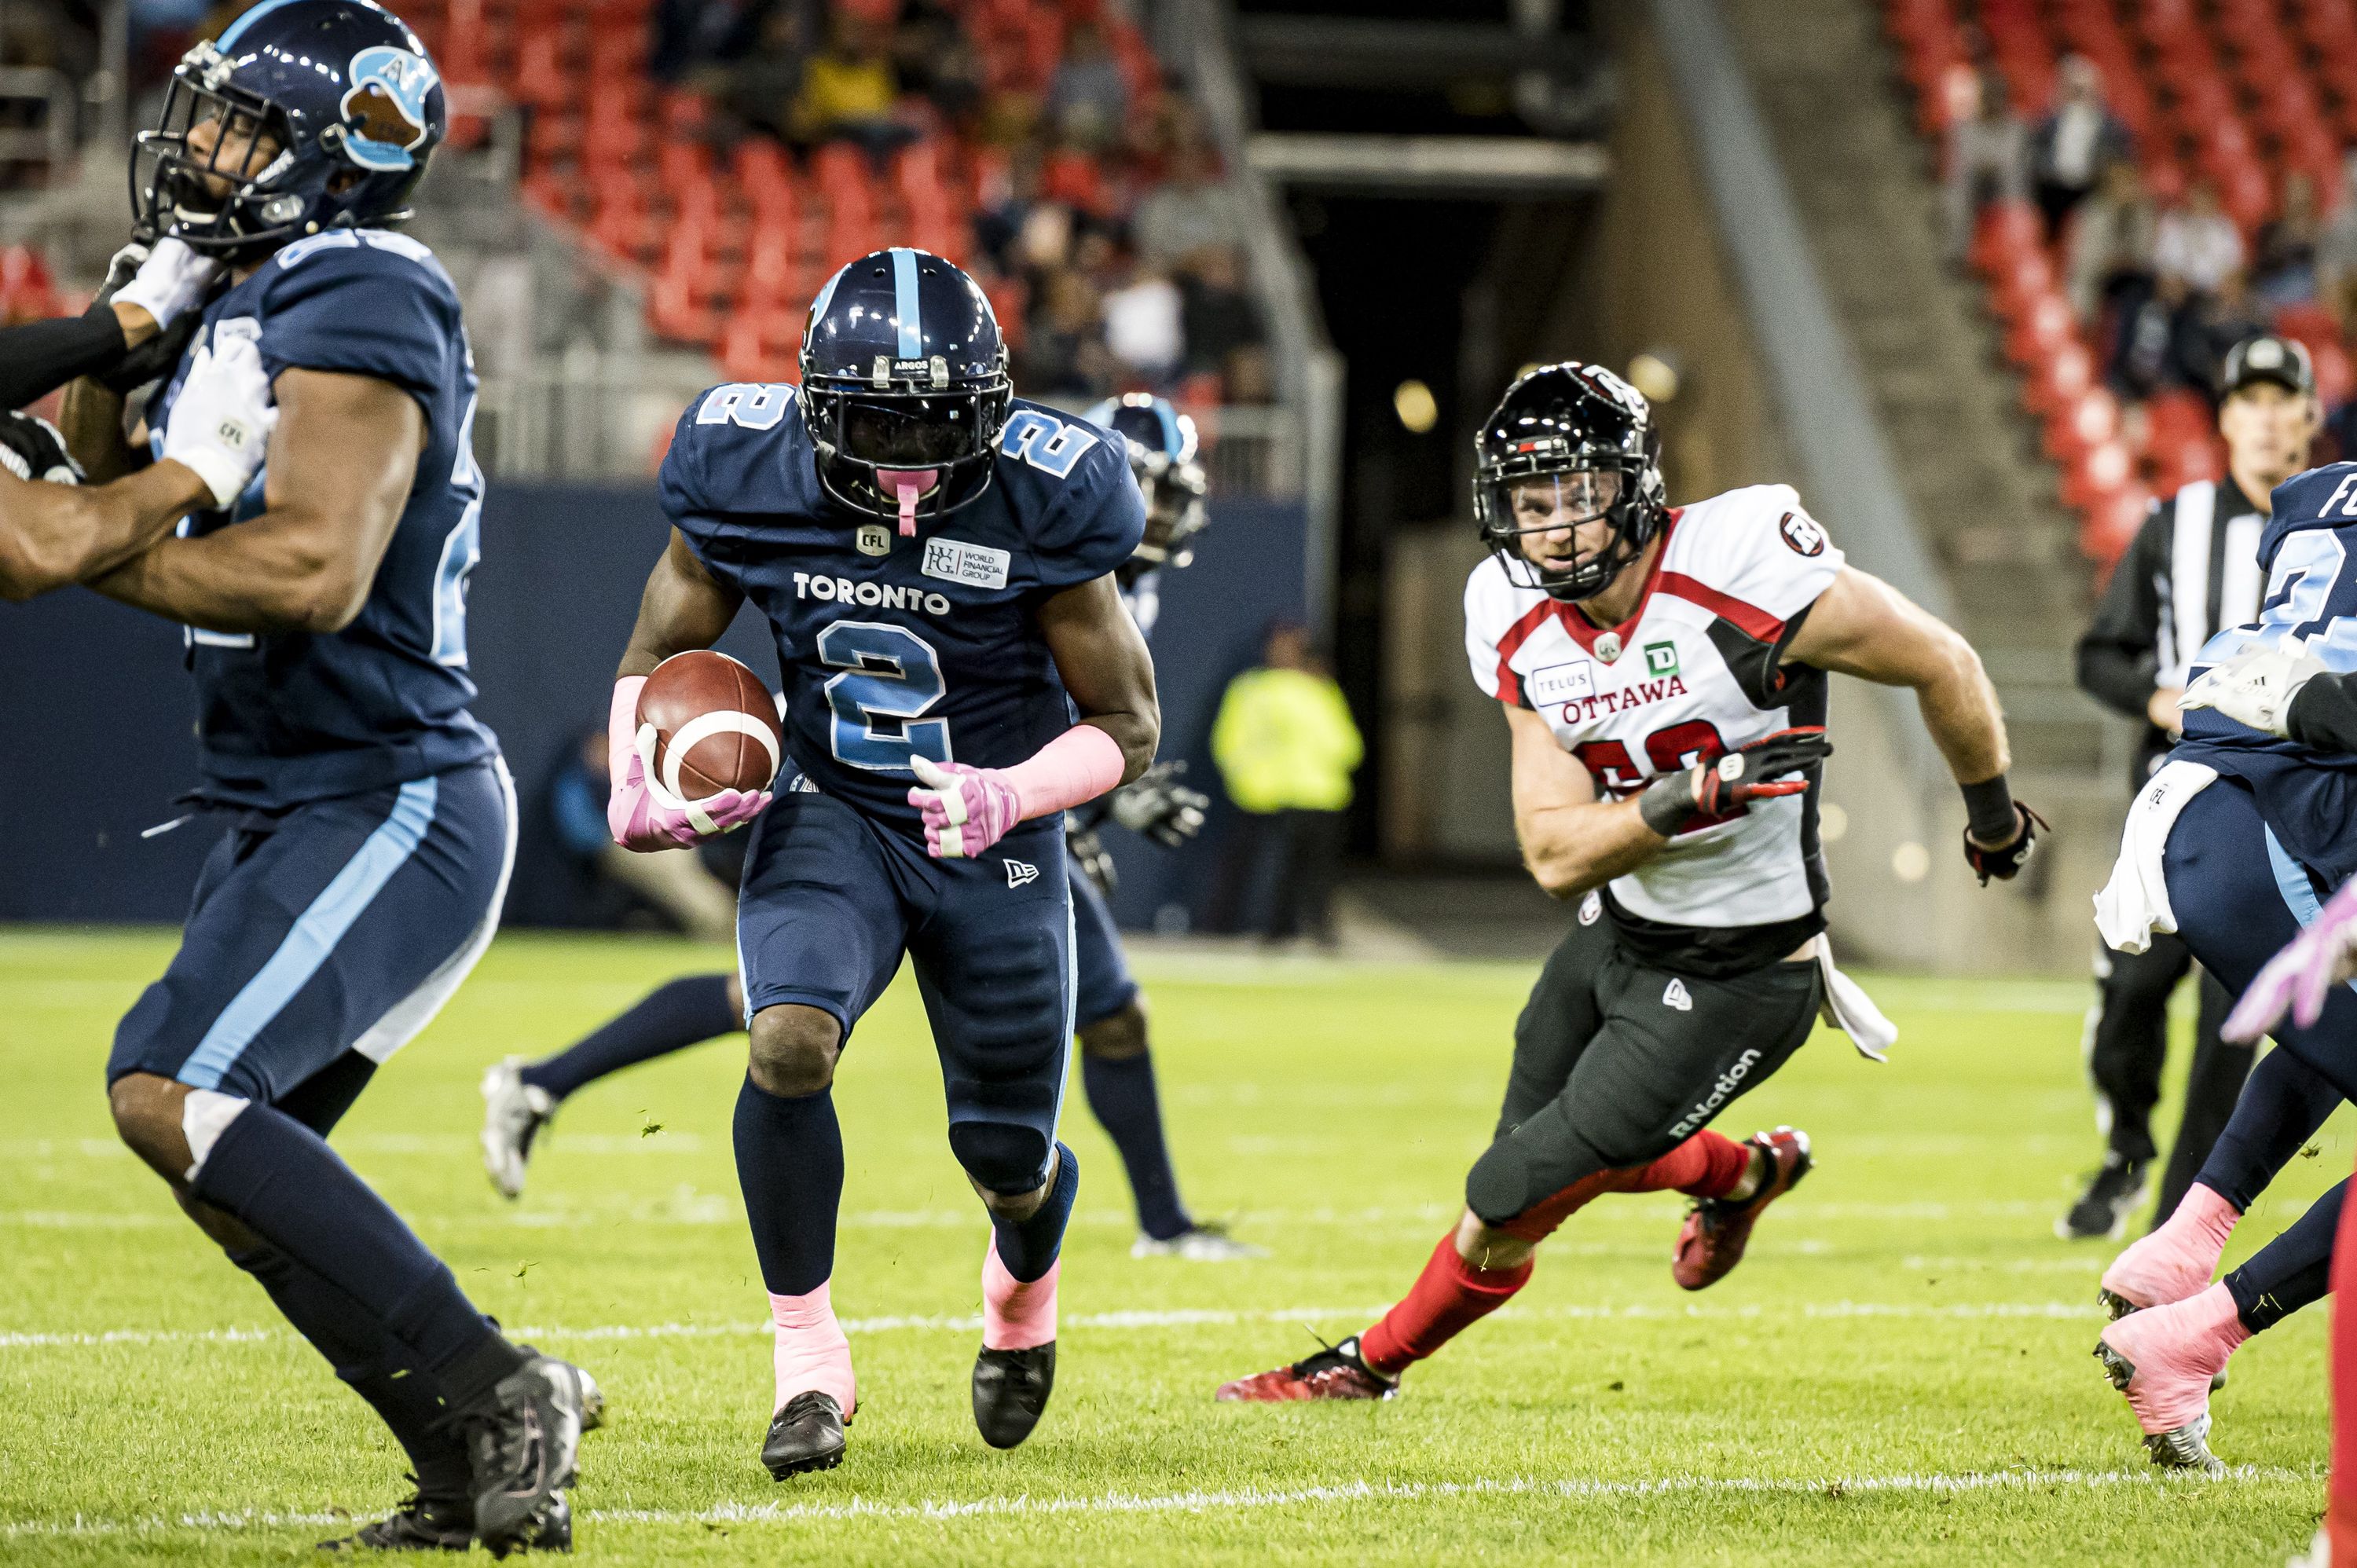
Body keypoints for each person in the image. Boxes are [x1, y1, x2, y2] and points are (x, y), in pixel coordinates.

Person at [1215, 362, 2036, 1405]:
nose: (1552, 527)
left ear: (1635, 483)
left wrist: (1993, 814)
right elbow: (1556, 852)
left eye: (1576, 492)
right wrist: (1683, 797)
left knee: (1507, 1192)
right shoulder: (1508, 607)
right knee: (1538, 1154)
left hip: (1747, 971)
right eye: (1529, 500)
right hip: (1617, 934)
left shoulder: (1742, 562)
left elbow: (1943, 661)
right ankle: (1742, 1174)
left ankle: (1363, 1368)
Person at [79, 8, 596, 1553]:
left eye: (238, 123)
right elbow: (99, 485)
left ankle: (501, 1382)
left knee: (175, 1088)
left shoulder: (360, 282)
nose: (204, 149)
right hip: (290, 796)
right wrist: (120, 353)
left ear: (330, 146)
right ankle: (465, 1456)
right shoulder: (250, 290)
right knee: (221, 1162)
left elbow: (310, 564)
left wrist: (105, 556)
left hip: (390, 791)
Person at [610, 248, 1160, 1479]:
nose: (910, 456)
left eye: (939, 423)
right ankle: (808, 1363)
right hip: (835, 806)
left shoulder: (1049, 488)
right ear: (811, 405)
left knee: (1007, 1163)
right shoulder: (742, 468)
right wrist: (628, 773)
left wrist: (1008, 791)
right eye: (876, 421)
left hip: (995, 833)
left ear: (993, 408)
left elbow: (1130, 727)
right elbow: (664, 632)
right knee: (787, 1041)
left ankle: (1023, 1289)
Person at [481, 394, 1253, 1262]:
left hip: (988, 809)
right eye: (1146, 489)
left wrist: (1081, 800)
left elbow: (1078, 723)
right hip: (857, 774)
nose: (1157, 512)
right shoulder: (1028, 510)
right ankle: (1164, 1224)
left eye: (1169, 494)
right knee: (779, 1014)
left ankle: (543, 1080)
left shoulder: (1089, 556)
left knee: (1091, 1021)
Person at [2090, 449, 2357, 1493]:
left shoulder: (2320, 491)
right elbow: (2318, 698)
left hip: (2247, 808)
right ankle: (2196, 1332)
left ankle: (2185, 1247)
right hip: (2270, 824)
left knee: (2340, 1023)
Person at [2063, 334, 2322, 1240]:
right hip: (2174, 810)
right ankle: (2125, 1151)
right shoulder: (2177, 525)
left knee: (2232, 1025)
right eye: (2245, 400)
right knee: (2129, 1000)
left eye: (2278, 399)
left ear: (2308, 416)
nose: (2262, 417)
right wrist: (2158, 696)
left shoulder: (2339, 523)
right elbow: (2099, 655)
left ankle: (2177, 1222)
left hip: (2286, 820)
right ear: (2224, 419)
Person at [1207, 621, 1362, 943]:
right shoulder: (1253, 689)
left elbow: (1346, 747)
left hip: (1318, 797)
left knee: (1312, 873)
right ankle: (1237, 931)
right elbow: (1230, 744)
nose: (1286, 652)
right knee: (1259, 870)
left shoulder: (1319, 690)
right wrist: (1249, 781)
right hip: (1264, 797)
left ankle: (1312, 933)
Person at [2029, 54, 2132, 240]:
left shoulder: (2111, 127)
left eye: (2084, 90)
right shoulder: (2049, 122)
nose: (2079, 96)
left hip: (2090, 189)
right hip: (2051, 187)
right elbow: (2034, 152)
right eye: (2074, 90)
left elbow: (2121, 161)